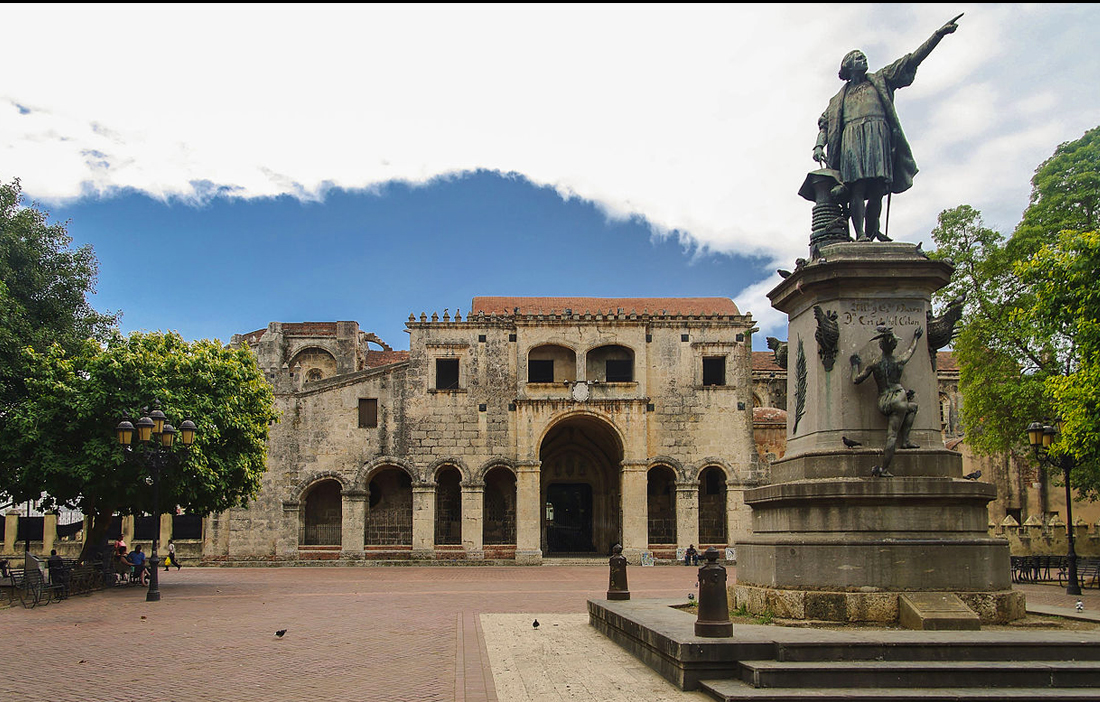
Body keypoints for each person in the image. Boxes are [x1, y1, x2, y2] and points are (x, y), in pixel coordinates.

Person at [812, 14, 961, 242]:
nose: (862, 58)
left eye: (863, 56)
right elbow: (824, 124)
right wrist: (819, 146)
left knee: (877, 190)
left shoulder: (880, 79)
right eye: (857, 57)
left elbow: (910, 61)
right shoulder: (836, 101)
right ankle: (860, 234)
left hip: (877, 136)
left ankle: (872, 232)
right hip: (851, 138)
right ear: (847, 66)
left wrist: (938, 35)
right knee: (857, 187)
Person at [851, 326, 923, 475]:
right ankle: (884, 468)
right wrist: (916, 337)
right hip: (898, 397)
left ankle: (906, 441)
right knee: (892, 435)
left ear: (880, 346)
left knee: (913, 407)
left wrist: (854, 365)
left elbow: (857, 380)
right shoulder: (899, 360)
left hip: (883, 401)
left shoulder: (874, 363)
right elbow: (911, 350)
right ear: (894, 346)